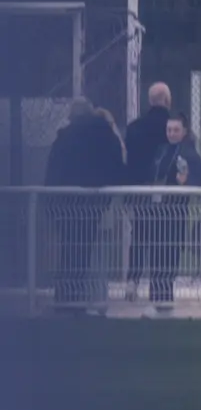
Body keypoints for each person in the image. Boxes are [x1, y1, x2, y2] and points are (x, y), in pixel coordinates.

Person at [44, 98, 126, 311]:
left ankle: (67, 298)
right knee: (86, 250)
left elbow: (53, 171)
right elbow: (117, 165)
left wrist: (50, 203)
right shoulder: (105, 134)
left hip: (66, 203)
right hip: (94, 202)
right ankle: (83, 298)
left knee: (68, 251)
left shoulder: (65, 137)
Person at [144, 111, 201, 316]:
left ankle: (164, 302)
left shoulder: (187, 152)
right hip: (156, 211)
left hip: (174, 213)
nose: (172, 133)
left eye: (175, 130)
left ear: (184, 131)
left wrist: (187, 183)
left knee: (168, 256)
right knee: (156, 256)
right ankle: (158, 301)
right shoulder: (162, 149)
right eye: (169, 130)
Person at [125, 83, 174, 302]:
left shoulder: (135, 127)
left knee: (140, 235)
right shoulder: (172, 127)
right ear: (166, 100)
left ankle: (132, 281)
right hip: (166, 192)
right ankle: (160, 285)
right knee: (163, 238)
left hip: (139, 189)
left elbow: (130, 161)